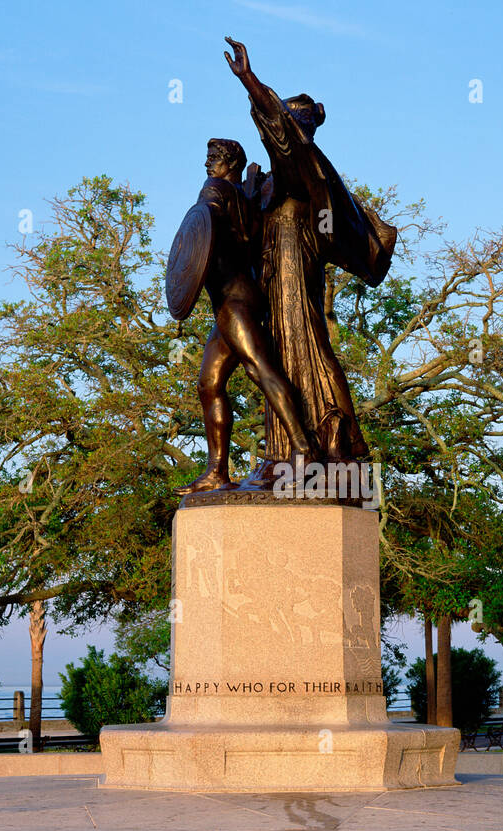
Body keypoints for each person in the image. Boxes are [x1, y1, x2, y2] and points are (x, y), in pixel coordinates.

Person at [223, 37, 398, 485]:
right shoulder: (267, 183)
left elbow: (283, 136)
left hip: (294, 274)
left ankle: (332, 433)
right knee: (279, 356)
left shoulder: (305, 170)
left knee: (306, 345)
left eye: (282, 119)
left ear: (297, 128)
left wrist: (249, 81)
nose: (273, 128)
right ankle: (284, 453)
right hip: (271, 278)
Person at [174, 137, 317, 495]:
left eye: (215, 158)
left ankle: (304, 451)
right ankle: (217, 472)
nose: (208, 165)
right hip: (232, 301)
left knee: (260, 369)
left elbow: (202, 230)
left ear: (231, 163)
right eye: (208, 158)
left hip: (234, 301)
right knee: (209, 384)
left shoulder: (215, 190)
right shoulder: (248, 199)